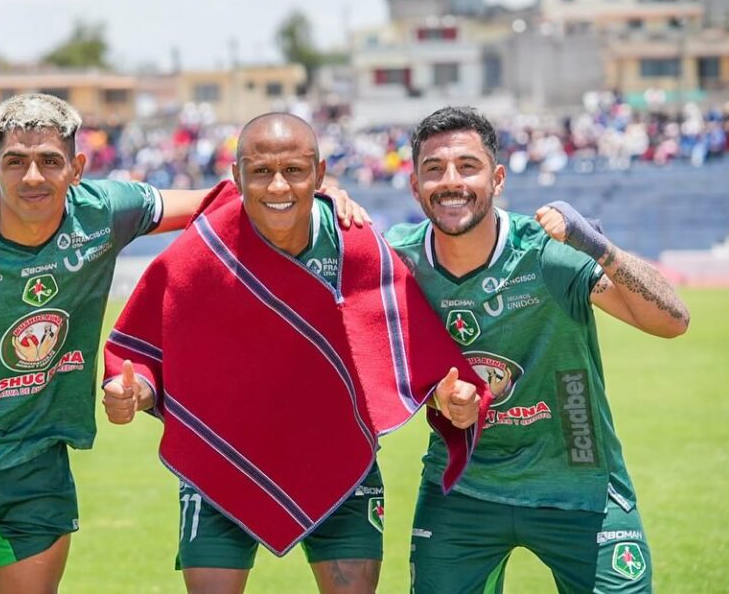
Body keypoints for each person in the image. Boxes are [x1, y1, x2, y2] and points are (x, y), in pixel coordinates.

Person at [0, 94, 365, 594]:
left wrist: (319, 191)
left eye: (49, 161)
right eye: (15, 161)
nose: (32, 177)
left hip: (36, 461)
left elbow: (225, 199)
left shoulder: (104, 212)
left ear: (77, 166)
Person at [102, 113, 488, 594]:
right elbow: (147, 353)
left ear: (320, 174)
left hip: (337, 453)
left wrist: (449, 398)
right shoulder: (205, 248)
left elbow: (412, 350)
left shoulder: (353, 241)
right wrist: (134, 390)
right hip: (221, 455)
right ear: (237, 175)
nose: (278, 185)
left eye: (295, 170)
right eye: (261, 171)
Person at [385, 106, 690, 593]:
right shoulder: (398, 261)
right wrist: (437, 398)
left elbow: (674, 320)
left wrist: (599, 248)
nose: (450, 181)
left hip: (579, 488)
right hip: (463, 492)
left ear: (497, 178)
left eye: (468, 166)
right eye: (433, 169)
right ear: (415, 185)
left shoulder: (546, 251)